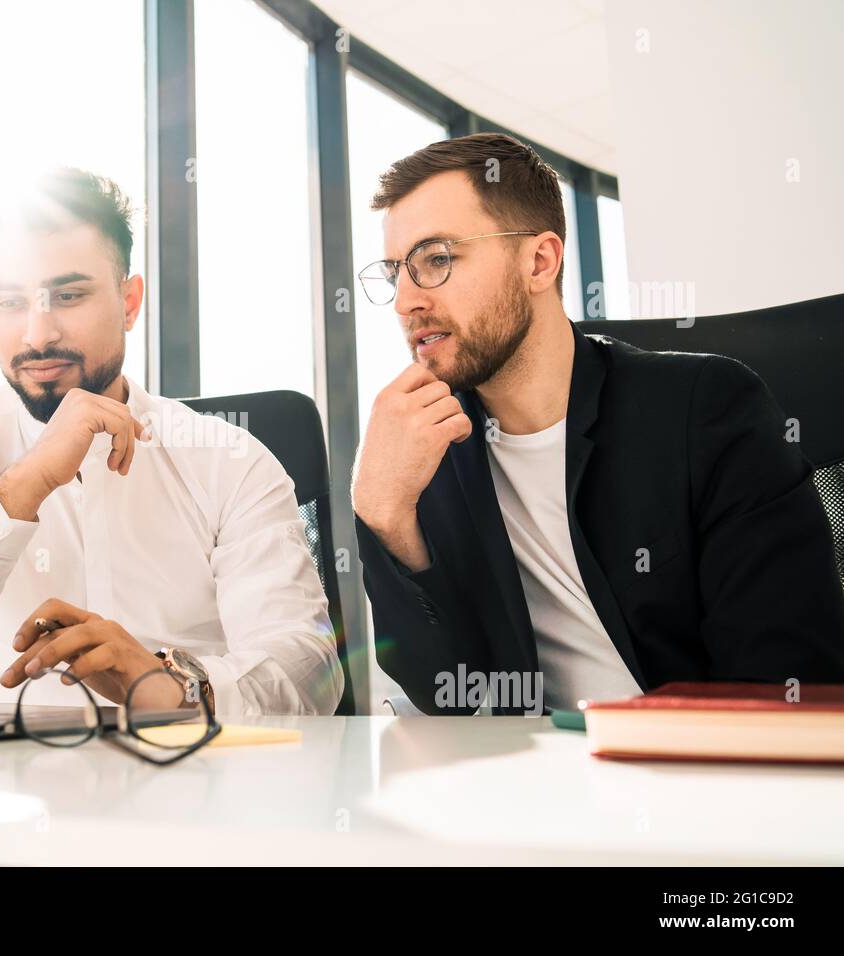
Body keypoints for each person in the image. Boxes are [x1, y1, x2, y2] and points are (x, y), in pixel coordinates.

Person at [351, 133, 844, 715]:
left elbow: (784, 681)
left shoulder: (707, 410)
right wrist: (384, 516)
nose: (406, 300)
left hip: (711, 779)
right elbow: (446, 697)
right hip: (538, 786)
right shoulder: (430, 452)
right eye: (394, 274)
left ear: (539, 261)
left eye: (437, 260)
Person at [0, 168, 342, 716]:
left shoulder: (231, 462)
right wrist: (26, 483)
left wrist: (172, 685)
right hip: (5, 787)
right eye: (9, 303)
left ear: (129, 302)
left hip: (200, 781)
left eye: (68, 295)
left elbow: (308, 671)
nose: (37, 334)